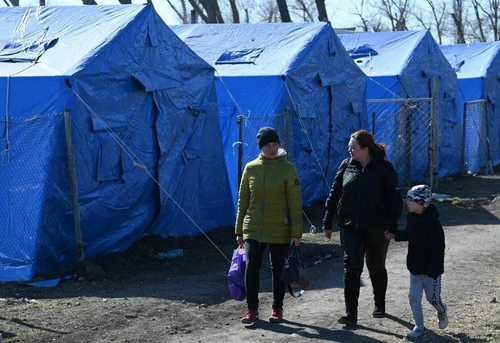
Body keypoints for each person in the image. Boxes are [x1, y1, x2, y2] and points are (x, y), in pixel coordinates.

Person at [322, 130, 402, 326]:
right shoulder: (346, 166)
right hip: (350, 227)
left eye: (354, 148)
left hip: (377, 228)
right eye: (349, 147)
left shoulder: (384, 169)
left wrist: (392, 227)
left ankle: (379, 305)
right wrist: (327, 220)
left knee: (376, 267)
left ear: (365, 149)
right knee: (351, 269)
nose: (350, 150)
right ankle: (351, 314)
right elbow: (334, 193)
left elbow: (394, 200)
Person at [235, 127, 303, 325]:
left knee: (278, 269)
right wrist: (239, 229)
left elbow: (295, 202)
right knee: (251, 268)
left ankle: (277, 308)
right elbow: (243, 201)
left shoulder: (288, 169)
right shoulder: (251, 168)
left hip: (279, 228)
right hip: (253, 227)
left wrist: (296, 231)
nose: (272, 148)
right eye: (268, 145)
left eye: (275, 144)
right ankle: (252, 310)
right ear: (261, 147)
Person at [393, 184, 448, 339]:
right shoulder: (412, 216)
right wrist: (394, 235)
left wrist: (434, 271)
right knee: (413, 297)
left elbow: (439, 249)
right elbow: (411, 234)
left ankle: (442, 311)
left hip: (431, 271)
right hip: (415, 267)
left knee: (433, 299)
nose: (407, 202)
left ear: (421, 203)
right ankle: (419, 327)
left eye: (410, 200)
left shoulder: (433, 224)